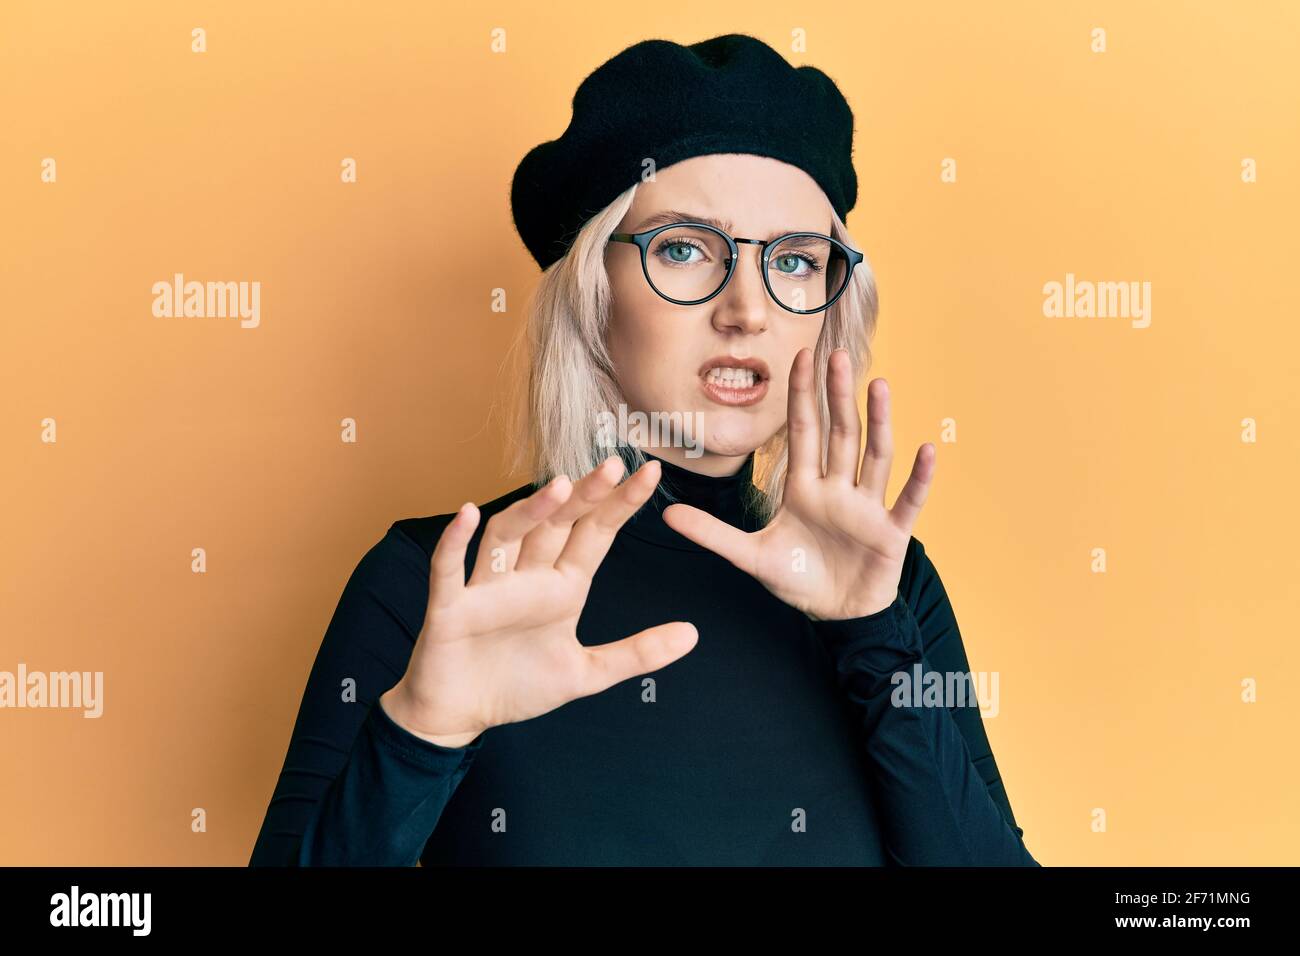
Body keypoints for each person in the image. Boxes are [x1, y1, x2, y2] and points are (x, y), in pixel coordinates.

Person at [249, 33, 1039, 867]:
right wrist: (420, 737)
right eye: (685, 249)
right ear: (595, 295)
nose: (748, 310)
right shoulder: (440, 580)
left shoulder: (888, 584)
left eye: (797, 261)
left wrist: (874, 639)